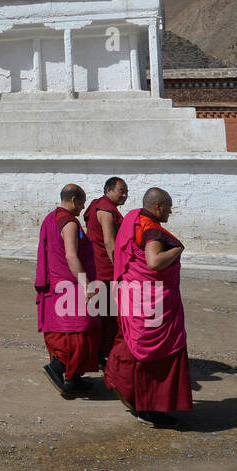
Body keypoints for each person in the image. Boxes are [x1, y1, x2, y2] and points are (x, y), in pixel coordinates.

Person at [104, 187, 194, 427]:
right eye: (169, 207)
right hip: (154, 304)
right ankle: (149, 409)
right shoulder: (152, 230)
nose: (171, 211)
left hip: (135, 296)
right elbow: (153, 262)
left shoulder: (133, 219)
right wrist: (177, 249)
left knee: (131, 344)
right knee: (158, 354)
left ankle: (132, 395)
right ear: (158, 207)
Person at [36, 183, 102, 396]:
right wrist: (85, 284)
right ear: (74, 200)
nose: (83, 208)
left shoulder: (51, 218)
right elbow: (71, 255)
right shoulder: (70, 223)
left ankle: (73, 379)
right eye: (82, 203)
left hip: (59, 284)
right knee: (79, 334)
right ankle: (58, 367)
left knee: (68, 331)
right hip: (70, 286)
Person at [83, 177, 128, 369]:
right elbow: (110, 243)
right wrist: (119, 270)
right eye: (121, 191)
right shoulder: (106, 212)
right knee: (109, 315)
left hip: (95, 265)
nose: (125, 196)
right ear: (108, 190)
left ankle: (99, 353)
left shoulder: (98, 205)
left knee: (102, 312)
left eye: (126, 192)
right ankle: (103, 353)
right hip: (105, 270)